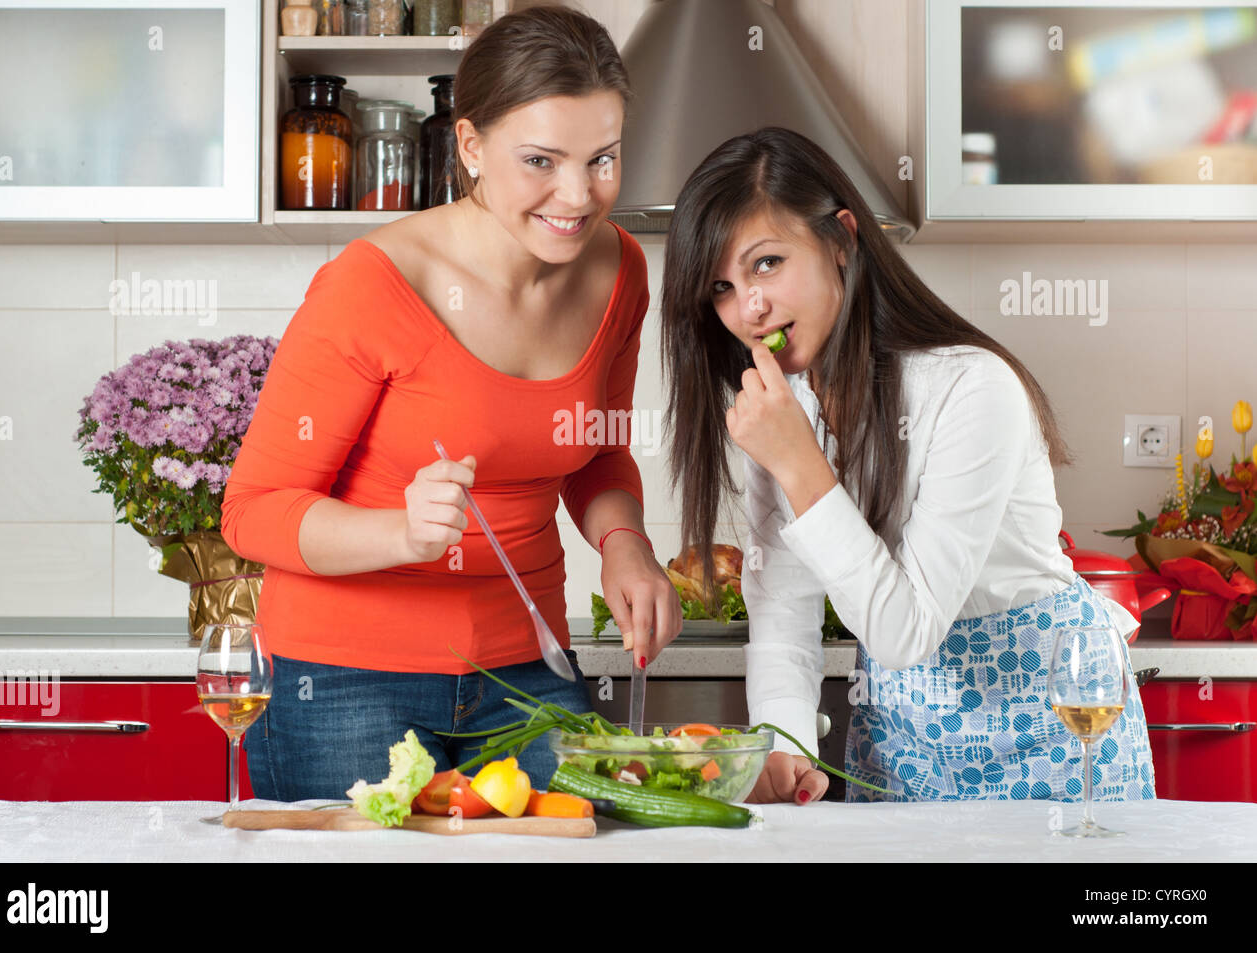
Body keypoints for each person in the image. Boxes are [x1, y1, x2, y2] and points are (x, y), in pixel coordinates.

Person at [222, 6, 681, 799]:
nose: (577, 195)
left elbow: (596, 444)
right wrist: (399, 531)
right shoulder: (372, 286)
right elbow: (252, 511)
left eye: (602, 159)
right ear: (470, 146)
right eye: (541, 160)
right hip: (339, 682)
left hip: (524, 671)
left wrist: (623, 542)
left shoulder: (619, 270)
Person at [659, 126, 1156, 804]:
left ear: (840, 240)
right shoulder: (789, 412)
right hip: (906, 744)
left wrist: (801, 464)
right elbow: (785, 613)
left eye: (767, 263)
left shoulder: (972, 387)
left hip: (1054, 731)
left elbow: (908, 629)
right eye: (721, 285)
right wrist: (786, 747)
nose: (749, 308)